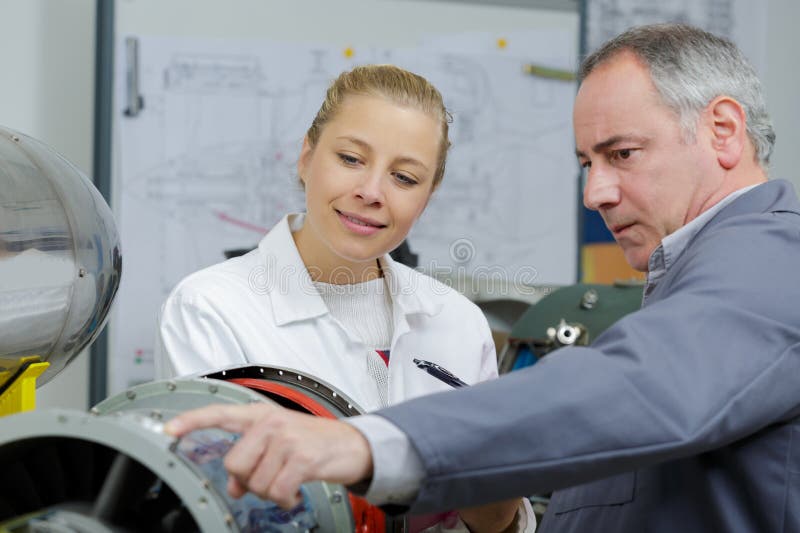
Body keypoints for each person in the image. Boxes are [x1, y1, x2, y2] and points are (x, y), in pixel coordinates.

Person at [166, 23, 800, 531]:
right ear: (306, 156)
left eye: (621, 155)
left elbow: (652, 386)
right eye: (587, 162)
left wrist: (367, 448)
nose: (594, 193)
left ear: (722, 130)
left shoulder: (777, 254)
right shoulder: (212, 304)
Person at [155, 64, 534, 532]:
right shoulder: (211, 308)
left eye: (405, 177)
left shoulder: (458, 321)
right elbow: (222, 509)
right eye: (351, 159)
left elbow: (494, 518)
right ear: (306, 157)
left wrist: (497, 510)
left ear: (428, 196)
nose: (371, 192)